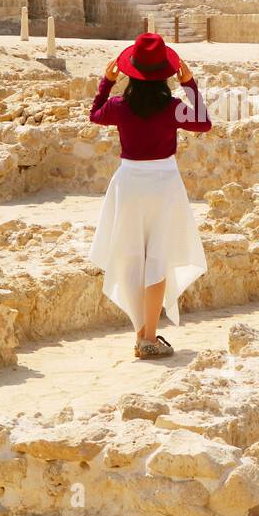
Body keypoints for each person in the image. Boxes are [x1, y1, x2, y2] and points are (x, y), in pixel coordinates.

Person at [87, 32, 213, 359]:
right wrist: (190, 84)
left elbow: (95, 113)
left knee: (130, 256)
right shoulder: (172, 107)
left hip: (128, 184)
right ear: (166, 74)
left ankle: (142, 335)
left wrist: (106, 80)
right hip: (164, 184)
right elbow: (204, 123)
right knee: (157, 258)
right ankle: (149, 337)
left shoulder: (119, 106)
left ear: (130, 71)